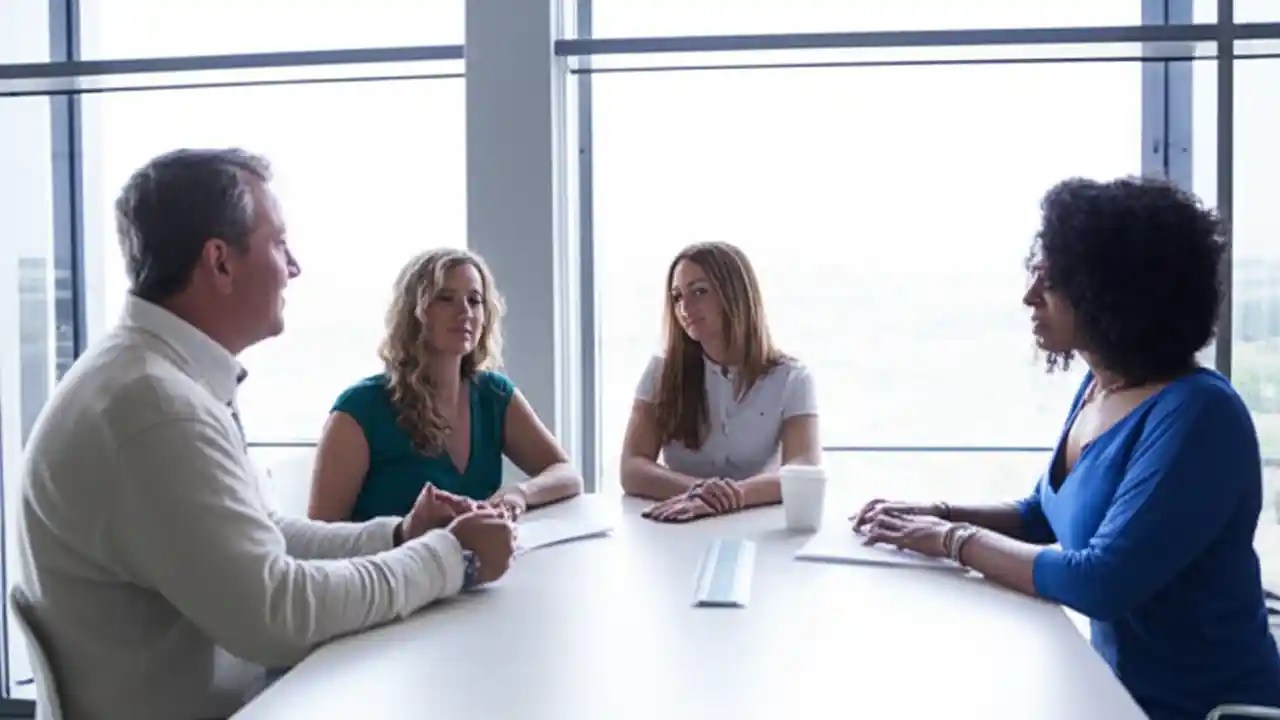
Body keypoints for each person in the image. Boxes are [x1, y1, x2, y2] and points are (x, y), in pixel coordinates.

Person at [16, 148, 517, 720]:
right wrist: (451, 558)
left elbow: (259, 534)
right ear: (220, 263)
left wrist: (401, 536)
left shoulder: (156, 377)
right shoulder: (155, 410)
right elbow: (279, 615)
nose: (294, 266)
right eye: (279, 244)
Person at [851, 177, 1280, 719]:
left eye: (1050, 281)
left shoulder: (1199, 415)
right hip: (1115, 697)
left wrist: (950, 539)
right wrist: (931, 514)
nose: (1029, 296)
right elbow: (1041, 516)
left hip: (1205, 710)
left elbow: (1098, 582)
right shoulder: (1101, 387)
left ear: (1111, 293)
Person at [308, 247, 582, 525]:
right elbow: (320, 541)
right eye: (445, 299)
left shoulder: (493, 394)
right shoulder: (360, 410)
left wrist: (520, 493)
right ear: (414, 311)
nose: (464, 311)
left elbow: (566, 472)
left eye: (474, 300)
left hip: (478, 565)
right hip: (390, 568)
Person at [620, 241, 821, 523]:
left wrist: (732, 496)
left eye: (699, 291)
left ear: (734, 294)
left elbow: (803, 470)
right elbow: (632, 468)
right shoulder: (662, 371)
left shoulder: (792, 378)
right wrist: (700, 492)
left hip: (758, 523)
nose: (685, 307)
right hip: (675, 522)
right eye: (677, 296)